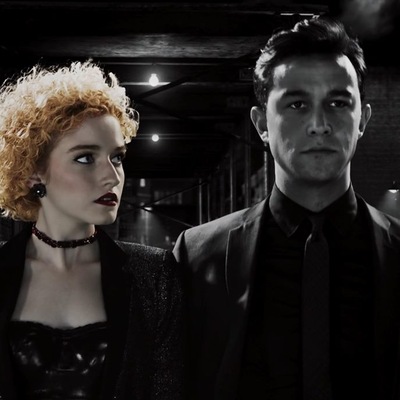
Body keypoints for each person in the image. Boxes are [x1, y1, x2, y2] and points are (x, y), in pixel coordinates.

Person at [173, 15, 400, 400]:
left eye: (338, 103)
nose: (319, 124)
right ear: (262, 124)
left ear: (362, 119)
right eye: (297, 104)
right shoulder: (196, 257)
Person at [0, 60, 184, 399]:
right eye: (86, 158)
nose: (112, 177)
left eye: (117, 157)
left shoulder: (154, 274)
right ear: (33, 171)